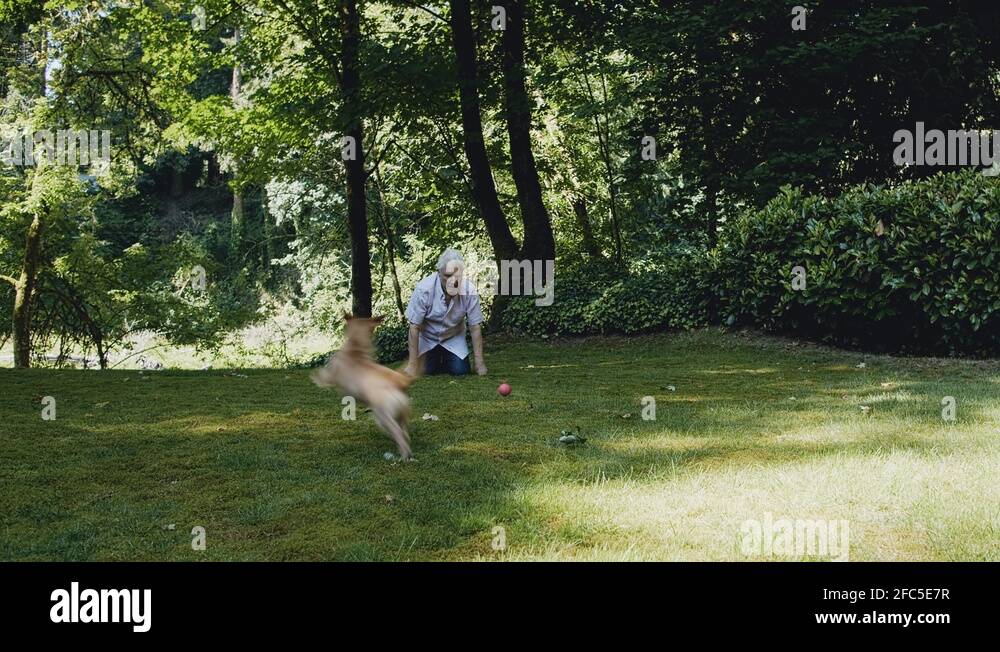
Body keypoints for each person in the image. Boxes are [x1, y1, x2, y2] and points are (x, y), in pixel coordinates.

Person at [403, 249, 487, 376]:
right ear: (438, 273)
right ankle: (433, 359)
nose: (453, 280)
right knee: (426, 371)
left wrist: (479, 364)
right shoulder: (423, 289)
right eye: (447, 275)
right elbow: (414, 327)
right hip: (427, 339)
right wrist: (412, 365)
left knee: (461, 372)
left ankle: (447, 359)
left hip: (453, 338)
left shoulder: (469, 291)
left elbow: (475, 327)